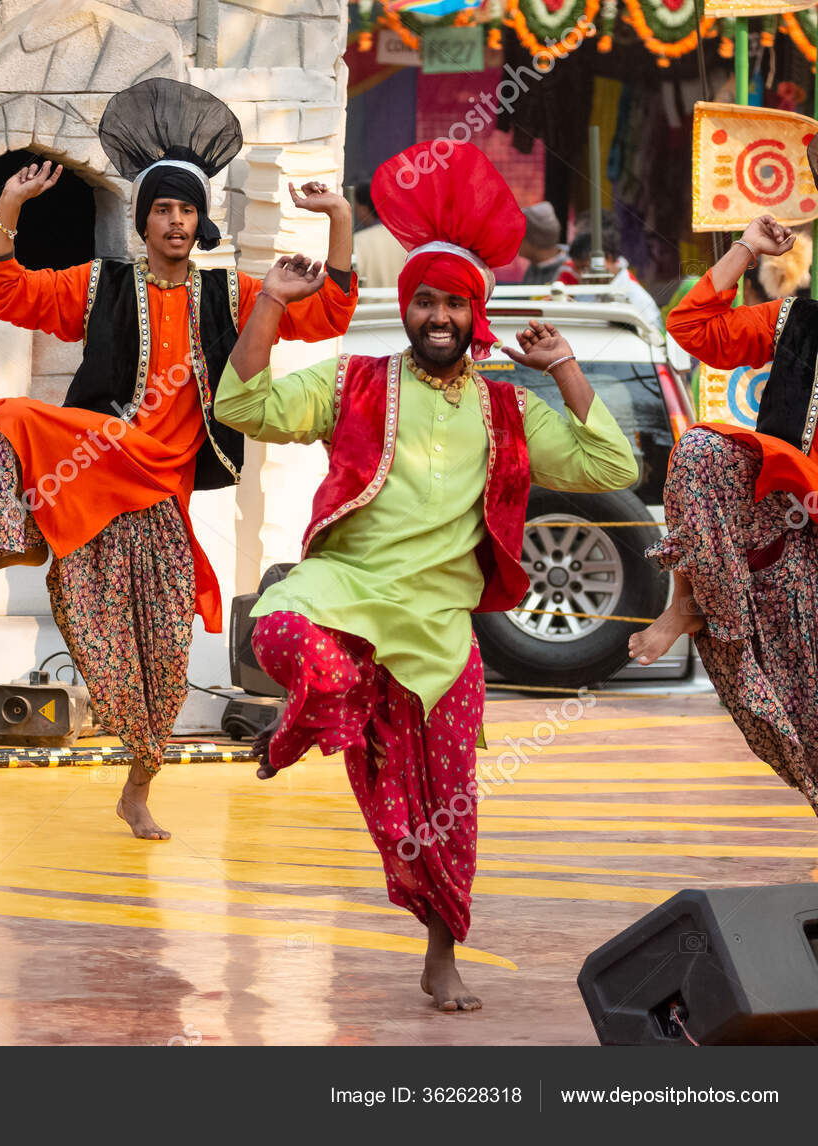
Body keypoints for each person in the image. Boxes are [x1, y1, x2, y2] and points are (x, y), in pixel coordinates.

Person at [215, 140, 638, 1012]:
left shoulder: (508, 407)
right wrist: (270, 306)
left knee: (446, 816)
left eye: (453, 302)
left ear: (473, 314)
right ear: (406, 310)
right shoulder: (355, 382)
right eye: (425, 301)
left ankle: (440, 954)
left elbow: (608, 461)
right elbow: (242, 405)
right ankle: (313, 715)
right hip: (345, 595)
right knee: (284, 633)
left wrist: (561, 367)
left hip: (441, 634)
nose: (438, 315)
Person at [0, 77, 356, 841]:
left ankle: (138, 788)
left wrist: (338, 220)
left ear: (202, 221)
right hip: (97, 468)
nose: (175, 221)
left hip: (163, 497)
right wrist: (8, 207)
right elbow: (6, 293)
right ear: (142, 224)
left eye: (186, 210)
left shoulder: (232, 296)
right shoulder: (101, 283)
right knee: (11, 418)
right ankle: (25, 536)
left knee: (168, 658)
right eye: (162, 210)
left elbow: (328, 311)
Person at [631, 214, 818, 814]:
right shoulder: (800, 324)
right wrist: (746, 249)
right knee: (702, 450)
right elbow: (691, 325)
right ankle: (688, 603)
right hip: (792, 542)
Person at [351, 181, 406, 288]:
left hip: (369, 304)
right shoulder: (410, 239)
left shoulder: (357, 241)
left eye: (356, 208)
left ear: (363, 208)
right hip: (405, 304)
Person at [518, 201, 571, 285]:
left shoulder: (569, 270)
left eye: (518, 234)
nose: (513, 240)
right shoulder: (535, 265)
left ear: (533, 240)